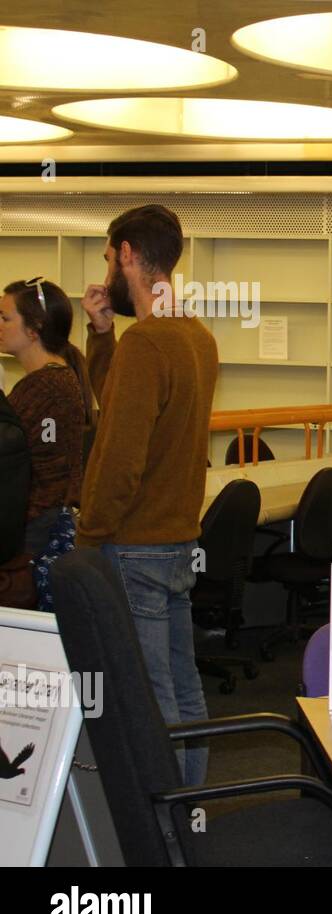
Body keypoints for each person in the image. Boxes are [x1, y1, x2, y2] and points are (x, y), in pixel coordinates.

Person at [80, 204, 218, 787]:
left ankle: (165, 821)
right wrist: (104, 334)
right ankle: (190, 806)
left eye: (110, 257)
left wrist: (87, 541)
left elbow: (119, 459)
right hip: (179, 540)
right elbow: (126, 404)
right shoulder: (195, 337)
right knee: (184, 688)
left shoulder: (147, 345)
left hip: (133, 547)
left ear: (129, 254)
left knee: (150, 693)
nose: (107, 269)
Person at [0, 278, 91, 556]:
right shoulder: (54, 377)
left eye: (5, 318)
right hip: (42, 522)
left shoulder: (45, 387)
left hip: (35, 530)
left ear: (34, 328)